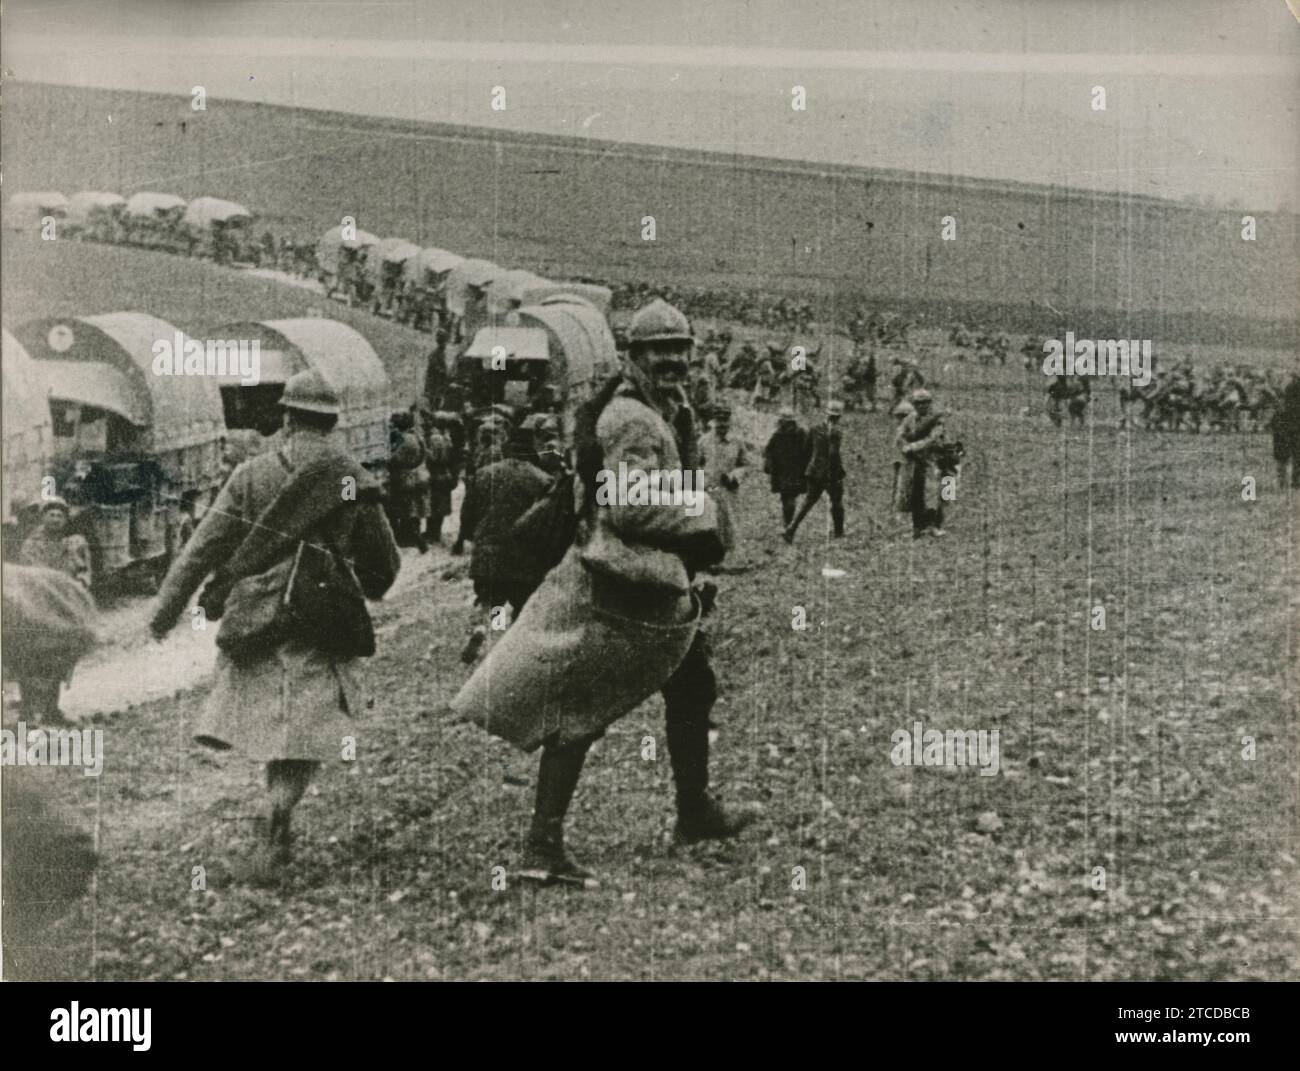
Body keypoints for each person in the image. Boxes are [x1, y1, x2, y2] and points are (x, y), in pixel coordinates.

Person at [450, 297, 754, 887]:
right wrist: (707, 515)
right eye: (659, 352)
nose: (672, 362)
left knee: (691, 687)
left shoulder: (664, 408)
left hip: (652, 587)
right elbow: (629, 505)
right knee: (578, 712)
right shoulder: (634, 420)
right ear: (634, 357)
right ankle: (543, 847)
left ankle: (693, 811)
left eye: (679, 351)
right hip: (619, 585)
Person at [149, 370, 401, 884]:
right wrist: (358, 580)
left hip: (259, 616)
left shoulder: (250, 475)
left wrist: (164, 614)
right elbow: (385, 565)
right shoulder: (351, 476)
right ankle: (280, 807)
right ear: (332, 423)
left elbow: (202, 549)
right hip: (323, 615)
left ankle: (273, 815)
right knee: (304, 727)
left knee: (273, 722)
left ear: (286, 418)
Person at [783, 399, 846, 543]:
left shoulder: (814, 429)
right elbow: (834, 454)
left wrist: (808, 469)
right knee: (837, 502)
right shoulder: (837, 433)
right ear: (838, 417)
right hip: (831, 473)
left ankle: (791, 529)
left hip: (814, 472)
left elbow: (806, 451)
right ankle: (839, 532)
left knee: (807, 503)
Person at [696, 403, 751, 555]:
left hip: (728, 489)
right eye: (719, 422)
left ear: (729, 422)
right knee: (709, 523)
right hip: (708, 489)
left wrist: (734, 476)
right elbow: (694, 465)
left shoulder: (737, 442)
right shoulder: (703, 441)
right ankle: (709, 557)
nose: (722, 426)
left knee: (729, 524)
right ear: (713, 422)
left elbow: (746, 465)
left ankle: (729, 557)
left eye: (725, 422)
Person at [896, 389, 947, 538]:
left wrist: (913, 447)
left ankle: (933, 526)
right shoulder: (910, 418)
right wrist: (904, 446)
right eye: (918, 403)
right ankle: (917, 527)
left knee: (932, 493)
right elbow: (900, 435)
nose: (922, 406)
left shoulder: (936, 419)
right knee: (913, 494)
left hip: (932, 459)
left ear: (930, 404)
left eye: (925, 403)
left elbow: (933, 439)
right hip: (913, 461)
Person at [19, 497, 92, 590]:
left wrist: (77, 586)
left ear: (65, 520)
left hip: (69, 594)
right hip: (42, 593)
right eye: (52, 515)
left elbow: (84, 574)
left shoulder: (76, 544)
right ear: (43, 518)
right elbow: (29, 575)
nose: (55, 520)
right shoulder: (31, 545)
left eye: (59, 516)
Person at [386, 409, 432, 553]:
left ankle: (417, 541)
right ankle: (413, 538)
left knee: (404, 510)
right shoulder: (416, 436)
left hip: (405, 478)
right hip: (418, 475)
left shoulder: (404, 439)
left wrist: (384, 461)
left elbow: (395, 459)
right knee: (414, 509)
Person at [763, 408, 810, 529]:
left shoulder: (800, 434)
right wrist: (768, 465)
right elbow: (768, 451)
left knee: (789, 497)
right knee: (786, 497)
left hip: (794, 470)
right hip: (784, 470)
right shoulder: (778, 435)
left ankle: (788, 522)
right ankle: (787, 521)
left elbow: (809, 451)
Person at [1271, 372, 1300, 490]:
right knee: (1296, 455)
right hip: (1292, 425)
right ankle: (1294, 481)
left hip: (1285, 426)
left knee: (1282, 456)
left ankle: (1283, 481)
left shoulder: (1284, 404)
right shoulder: (1292, 391)